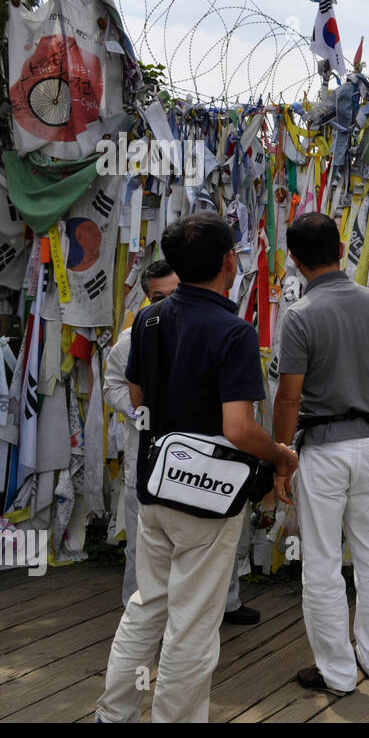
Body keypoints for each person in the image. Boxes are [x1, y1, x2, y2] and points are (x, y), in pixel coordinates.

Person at [96, 212, 296, 723]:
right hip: (207, 495)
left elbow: (139, 399)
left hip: (155, 486)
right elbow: (237, 428)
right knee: (193, 626)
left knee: (146, 606)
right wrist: (279, 454)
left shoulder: (147, 319)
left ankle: (111, 715)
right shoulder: (234, 332)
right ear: (231, 261)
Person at [271, 211, 369, 696]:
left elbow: (288, 397)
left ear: (297, 261)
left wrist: (282, 456)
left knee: (322, 563)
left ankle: (338, 673)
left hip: (321, 451)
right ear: (342, 249)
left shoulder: (300, 316)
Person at [105, 260, 261, 623]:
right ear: (146, 297)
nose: (168, 302)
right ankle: (139, 609)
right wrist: (139, 410)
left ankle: (227, 604)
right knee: (146, 546)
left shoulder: (220, 330)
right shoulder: (135, 336)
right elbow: (116, 385)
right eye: (159, 296)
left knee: (219, 534)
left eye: (175, 293)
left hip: (210, 456)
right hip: (150, 454)